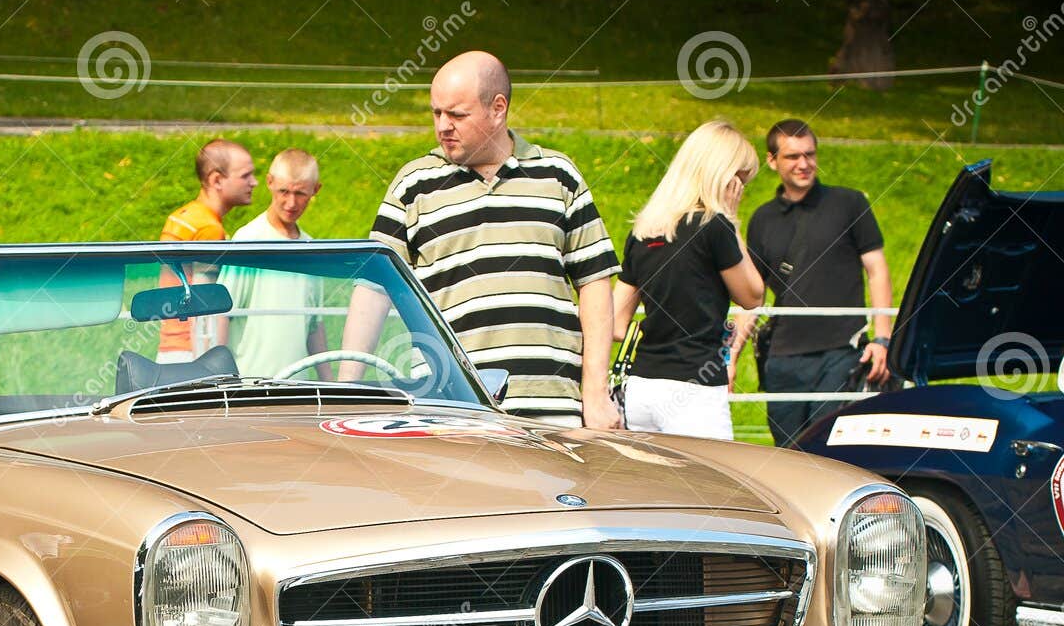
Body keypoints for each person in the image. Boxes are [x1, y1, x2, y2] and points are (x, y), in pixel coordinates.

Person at [345, 50, 618, 427]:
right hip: (449, 408)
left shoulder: (558, 176)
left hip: (550, 405)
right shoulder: (413, 185)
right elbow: (373, 291)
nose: (443, 126)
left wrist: (596, 394)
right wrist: (346, 389)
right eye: (436, 113)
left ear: (498, 108)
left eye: (456, 115)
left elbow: (594, 283)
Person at [739, 119, 893, 447]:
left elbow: (877, 270)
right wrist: (730, 356)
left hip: (841, 351)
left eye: (810, 154)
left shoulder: (849, 203)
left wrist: (883, 338)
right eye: (793, 156)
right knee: (788, 455)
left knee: (832, 453)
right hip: (782, 358)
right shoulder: (762, 219)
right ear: (772, 160)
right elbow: (752, 295)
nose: (804, 164)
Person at [611, 121, 765, 440]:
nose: (742, 191)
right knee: (714, 487)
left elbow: (614, 323)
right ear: (722, 176)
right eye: (741, 181)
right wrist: (732, 221)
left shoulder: (644, 232)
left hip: (642, 388)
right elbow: (752, 295)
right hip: (694, 391)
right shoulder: (715, 226)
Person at [216, 148, 328, 376]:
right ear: (269, 182)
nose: (291, 203)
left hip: (298, 389)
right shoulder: (249, 241)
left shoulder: (310, 249)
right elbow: (222, 313)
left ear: (316, 190)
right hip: (249, 386)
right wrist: (220, 378)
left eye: (301, 194)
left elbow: (314, 326)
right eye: (283, 191)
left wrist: (333, 384)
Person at [157, 139, 256, 361]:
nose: (254, 183)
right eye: (245, 176)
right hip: (192, 352)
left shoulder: (182, 217)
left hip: (169, 346)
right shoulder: (209, 229)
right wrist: (211, 361)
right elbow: (205, 313)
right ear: (217, 180)